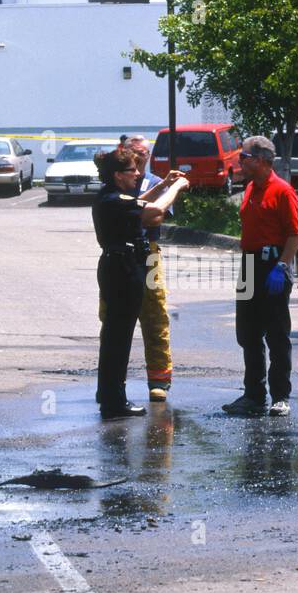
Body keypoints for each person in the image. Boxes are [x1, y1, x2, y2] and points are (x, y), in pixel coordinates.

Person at [92, 146, 188, 420]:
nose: (137, 173)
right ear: (117, 175)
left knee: (116, 336)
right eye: (131, 170)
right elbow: (155, 213)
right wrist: (177, 187)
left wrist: (164, 184)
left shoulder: (114, 197)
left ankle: (111, 395)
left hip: (121, 265)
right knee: (118, 337)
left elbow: (142, 203)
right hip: (123, 268)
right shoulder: (113, 199)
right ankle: (114, 402)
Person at [223, 135, 298, 418]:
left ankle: (280, 396)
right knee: (247, 333)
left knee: (277, 334)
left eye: (244, 157)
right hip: (249, 266)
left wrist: (282, 266)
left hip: (272, 265)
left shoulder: (282, 191)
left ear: (260, 160)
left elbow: (295, 233)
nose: (240, 162)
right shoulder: (249, 188)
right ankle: (253, 395)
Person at [122, 134, 173, 401]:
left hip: (149, 253)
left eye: (144, 153)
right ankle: (115, 381)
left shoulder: (156, 183)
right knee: (115, 317)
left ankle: (160, 381)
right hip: (120, 252)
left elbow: (157, 215)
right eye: (135, 152)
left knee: (155, 314)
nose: (141, 157)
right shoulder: (118, 182)